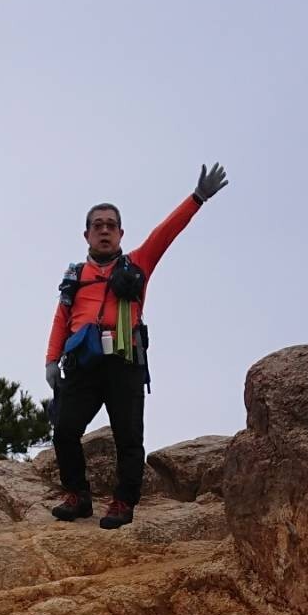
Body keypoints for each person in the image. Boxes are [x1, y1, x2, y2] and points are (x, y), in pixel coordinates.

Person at [45, 161, 228, 528]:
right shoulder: (75, 277)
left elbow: (166, 233)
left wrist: (197, 198)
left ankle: (122, 503)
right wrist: (51, 361)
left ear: (121, 233)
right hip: (82, 362)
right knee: (65, 430)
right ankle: (78, 496)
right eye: (97, 226)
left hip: (125, 360)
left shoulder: (138, 264)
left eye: (111, 225)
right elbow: (61, 319)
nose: (104, 231)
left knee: (129, 437)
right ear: (86, 236)